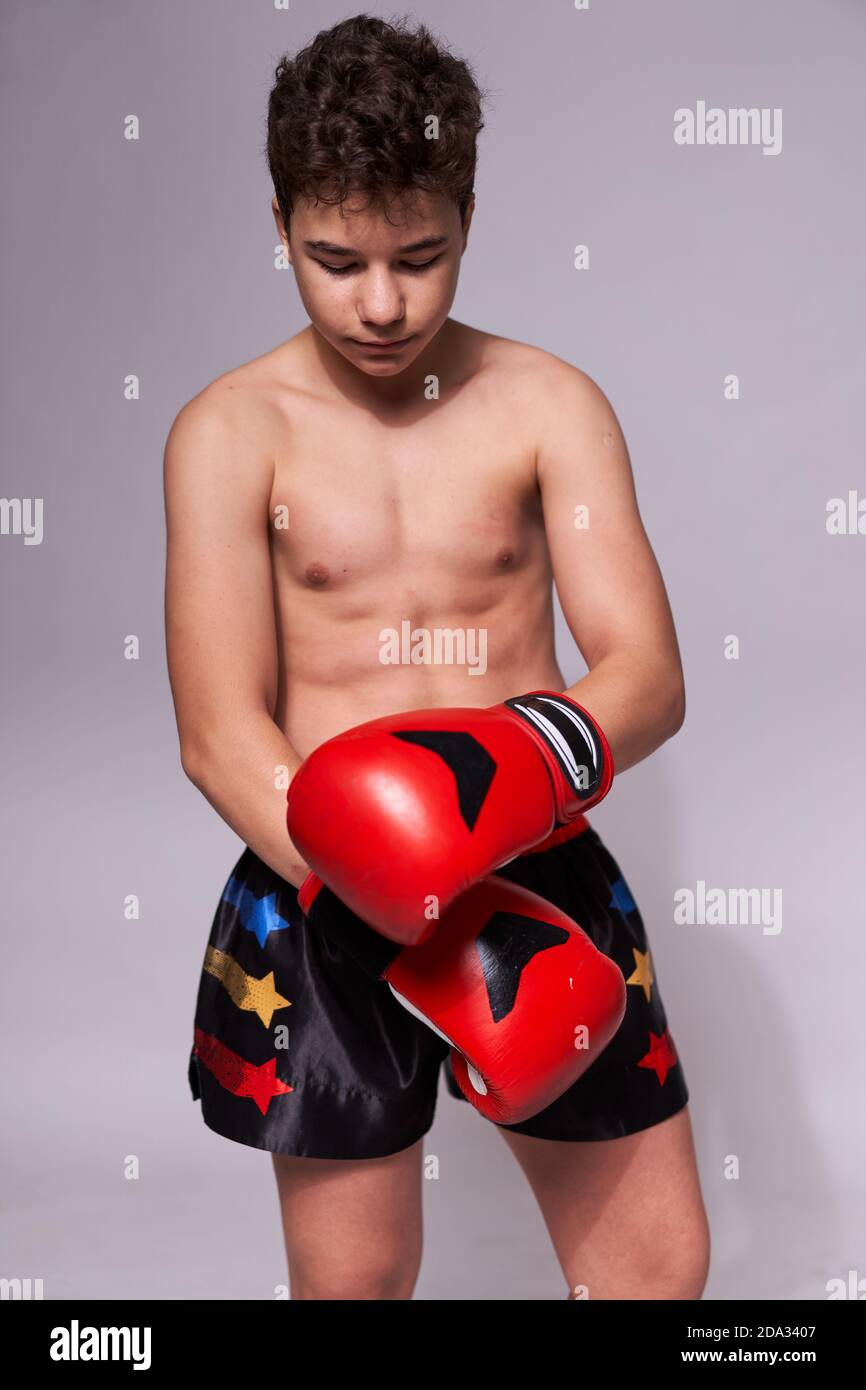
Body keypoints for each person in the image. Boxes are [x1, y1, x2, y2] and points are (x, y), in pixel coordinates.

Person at [165, 12, 710, 1300]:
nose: (381, 304)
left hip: (536, 877)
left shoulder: (549, 405)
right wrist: (392, 894)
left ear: (469, 217)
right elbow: (221, 734)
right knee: (354, 1290)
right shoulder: (229, 433)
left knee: (655, 1276)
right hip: (314, 886)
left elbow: (646, 676)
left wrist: (489, 869)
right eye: (334, 259)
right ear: (281, 222)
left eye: (421, 258)